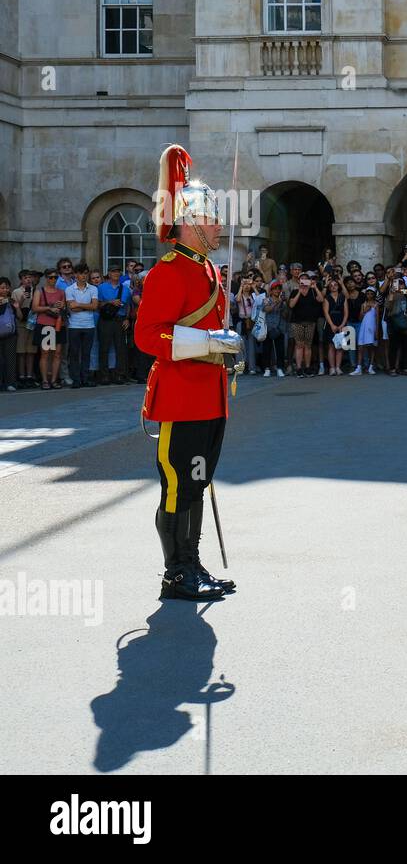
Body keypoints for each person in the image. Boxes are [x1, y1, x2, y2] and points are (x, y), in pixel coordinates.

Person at [134, 143, 241, 601]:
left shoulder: (207, 271)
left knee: (198, 483)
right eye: (212, 218)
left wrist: (225, 347)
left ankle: (192, 563)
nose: (218, 226)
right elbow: (147, 335)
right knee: (179, 487)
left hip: (210, 397)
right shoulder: (170, 272)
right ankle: (176, 573)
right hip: (180, 399)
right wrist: (207, 343)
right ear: (192, 222)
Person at [96, 265, 131, 385]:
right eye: (113, 272)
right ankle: (104, 375)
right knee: (104, 348)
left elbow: (128, 306)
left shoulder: (125, 289)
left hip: (119, 319)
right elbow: (97, 304)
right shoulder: (101, 287)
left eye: (117, 272)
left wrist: (127, 318)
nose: (116, 274)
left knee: (120, 348)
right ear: (109, 274)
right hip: (106, 320)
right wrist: (110, 302)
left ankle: (119, 375)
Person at [31, 269, 67, 389]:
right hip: (44, 325)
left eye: (55, 277)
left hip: (58, 325)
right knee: (45, 353)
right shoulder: (39, 291)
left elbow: (64, 307)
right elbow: (35, 308)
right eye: (51, 277)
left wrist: (62, 306)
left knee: (57, 354)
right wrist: (49, 308)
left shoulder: (61, 292)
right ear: (46, 278)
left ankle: (54, 380)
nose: (53, 280)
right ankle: (45, 380)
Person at [288, 273, 324, 377]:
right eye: (302, 279)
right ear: (299, 281)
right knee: (299, 345)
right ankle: (299, 368)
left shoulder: (313, 291)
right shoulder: (295, 291)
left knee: (308, 346)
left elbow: (321, 299)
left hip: (310, 322)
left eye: (306, 279)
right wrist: (299, 291)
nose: (304, 281)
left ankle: (307, 367)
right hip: (297, 322)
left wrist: (315, 287)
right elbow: (291, 305)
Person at [322, 276, 349, 376]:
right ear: (329, 287)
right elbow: (326, 313)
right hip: (330, 323)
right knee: (331, 346)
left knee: (340, 346)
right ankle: (332, 368)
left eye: (335, 285)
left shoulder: (343, 297)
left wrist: (342, 324)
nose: (333, 287)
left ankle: (338, 367)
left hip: (341, 322)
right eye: (331, 285)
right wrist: (332, 325)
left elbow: (346, 312)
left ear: (338, 286)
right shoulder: (327, 298)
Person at [260, 281, 287, 376]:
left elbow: (285, 315)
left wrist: (283, 305)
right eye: (275, 289)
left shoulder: (282, 301)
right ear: (271, 291)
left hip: (280, 327)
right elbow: (267, 309)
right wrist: (277, 303)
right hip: (268, 327)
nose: (277, 291)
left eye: (279, 289)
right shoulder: (266, 300)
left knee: (280, 350)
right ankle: (267, 368)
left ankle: (280, 368)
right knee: (267, 349)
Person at [0, 276, 18, 392]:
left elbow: (19, 317)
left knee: (10, 359)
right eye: (2, 288)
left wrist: (17, 307)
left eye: (6, 288)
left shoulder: (11, 301)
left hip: (10, 334)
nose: (4, 290)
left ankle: (10, 383)